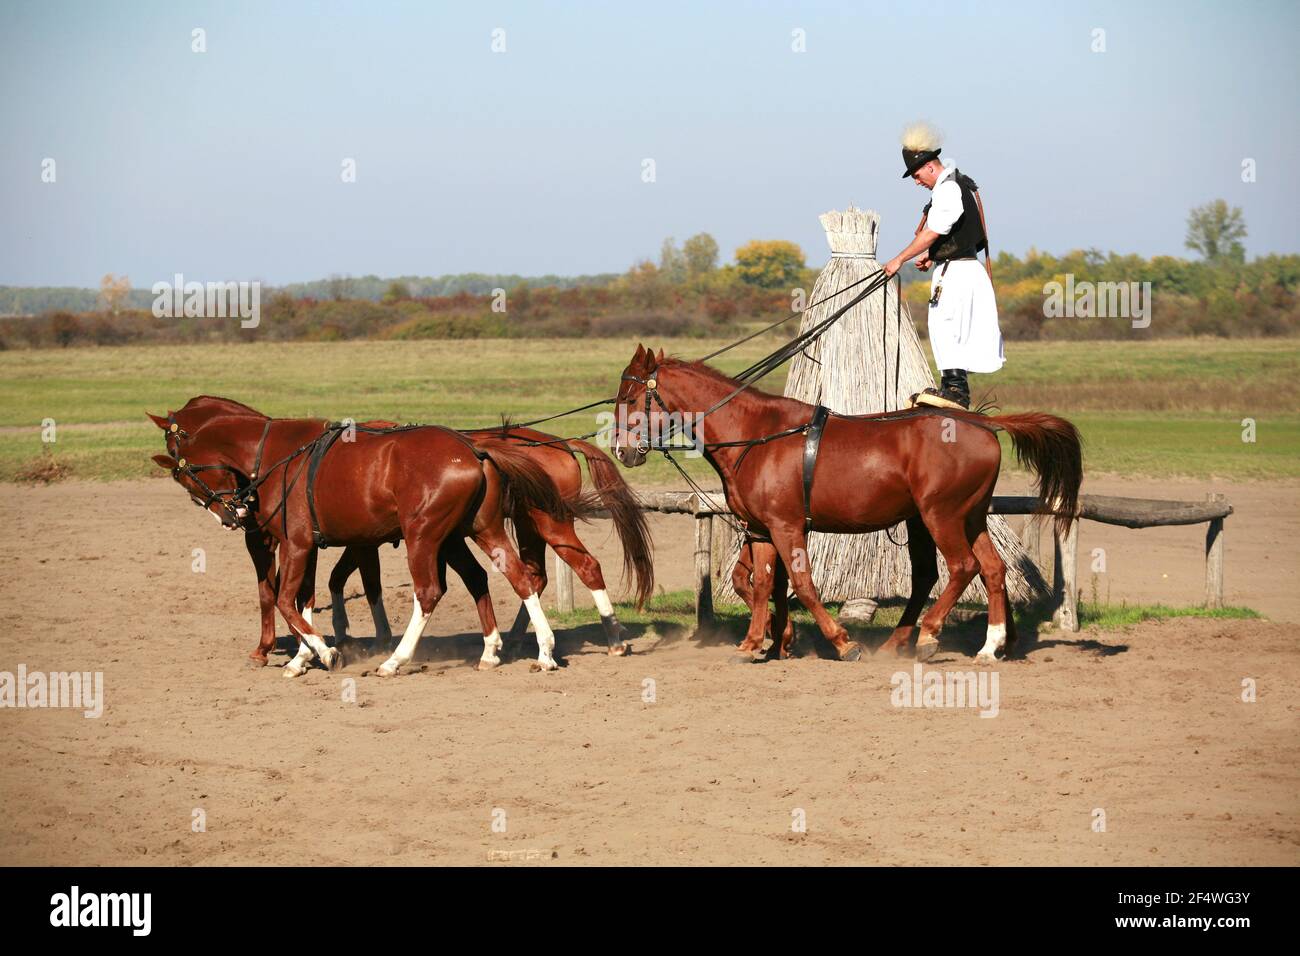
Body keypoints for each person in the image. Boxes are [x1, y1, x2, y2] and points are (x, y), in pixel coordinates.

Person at [883, 122, 1003, 410]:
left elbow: (933, 232)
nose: (916, 181)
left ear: (930, 167)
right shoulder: (953, 186)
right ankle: (951, 386)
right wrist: (931, 256)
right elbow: (950, 235)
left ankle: (956, 392)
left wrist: (900, 258)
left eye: (916, 174)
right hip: (956, 268)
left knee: (947, 324)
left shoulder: (948, 189)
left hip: (959, 273)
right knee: (943, 326)